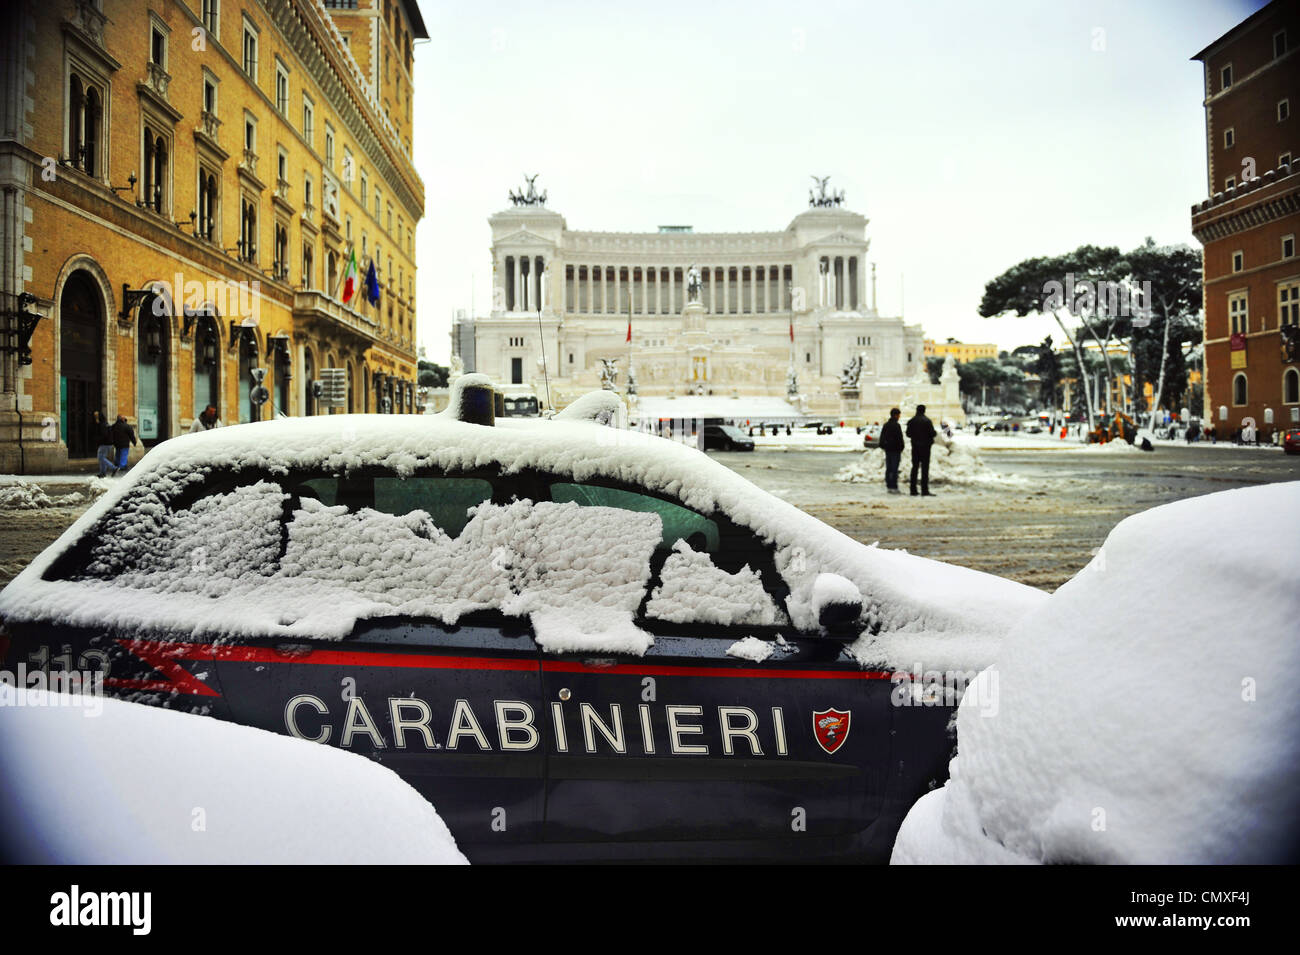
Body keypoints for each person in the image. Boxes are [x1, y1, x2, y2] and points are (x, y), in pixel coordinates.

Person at [905, 404, 937, 497]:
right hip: (926, 447)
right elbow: (932, 433)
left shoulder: (911, 421)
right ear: (924, 411)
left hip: (915, 446)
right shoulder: (927, 421)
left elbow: (908, 434)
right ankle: (924, 490)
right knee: (925, 469)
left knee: (914, 468)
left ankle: (913, 489)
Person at [878, 407, 904, 495]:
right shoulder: (896, 425)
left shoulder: (886, 425)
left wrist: (884, 446)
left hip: (888, 449)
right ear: (896, 415)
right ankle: (894, 486)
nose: (899, 417)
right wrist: (901, 447)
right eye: (899, 415)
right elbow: (899, 438)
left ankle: (889, 485)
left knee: (889, 468)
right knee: (894, 468)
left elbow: (882, 437)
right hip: (895, 450)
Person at [92, 410, 115, 477]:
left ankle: (113, 468)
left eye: (96, 417)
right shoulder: (105, 423)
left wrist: (97, 439)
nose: (95, 418)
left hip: (105, 444)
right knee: (102, 457)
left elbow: (104, 435)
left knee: (100, 457)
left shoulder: (102, 425)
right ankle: (103, 473)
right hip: (108, 443)